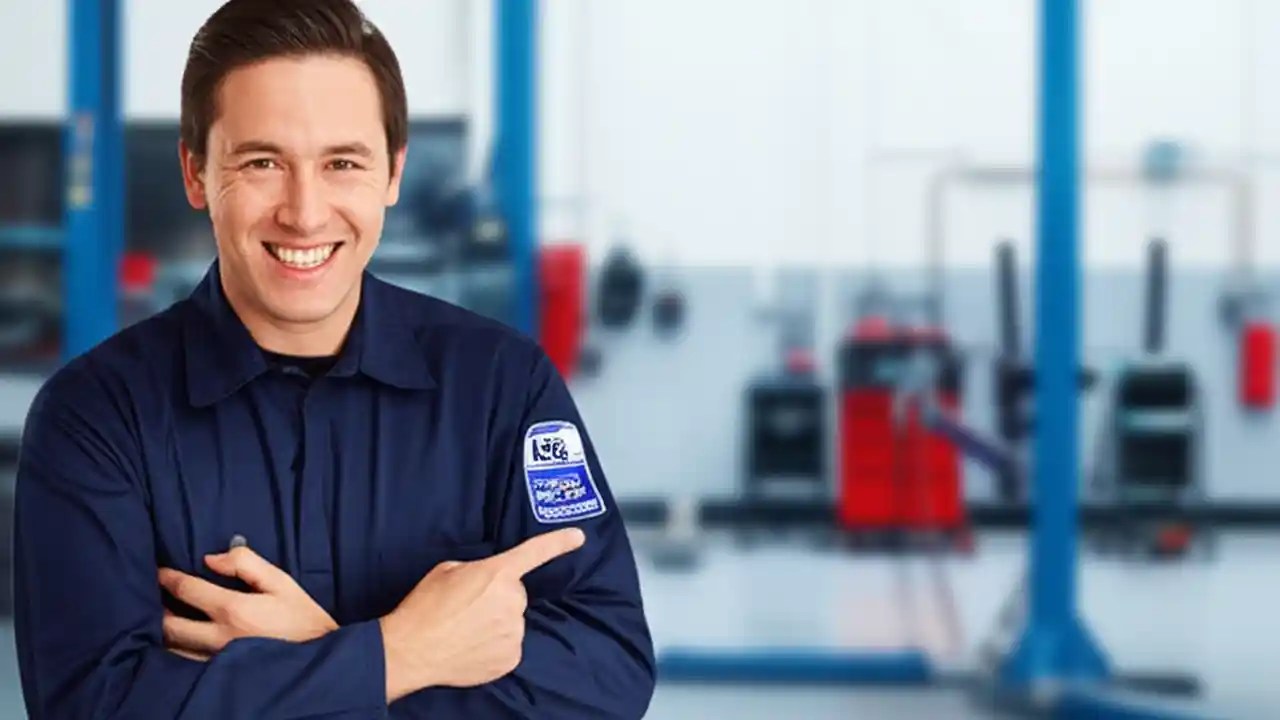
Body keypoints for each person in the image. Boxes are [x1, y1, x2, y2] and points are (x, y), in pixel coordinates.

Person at [12, 1, 655, 717]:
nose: (306, 212)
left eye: (342, 163)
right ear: (196, 173)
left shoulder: (502, 387)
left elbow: (607, 668)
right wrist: (403, 653)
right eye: (263, 163)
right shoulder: (95, 418)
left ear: (393, 173)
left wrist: (324, 660)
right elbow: (92, 705)